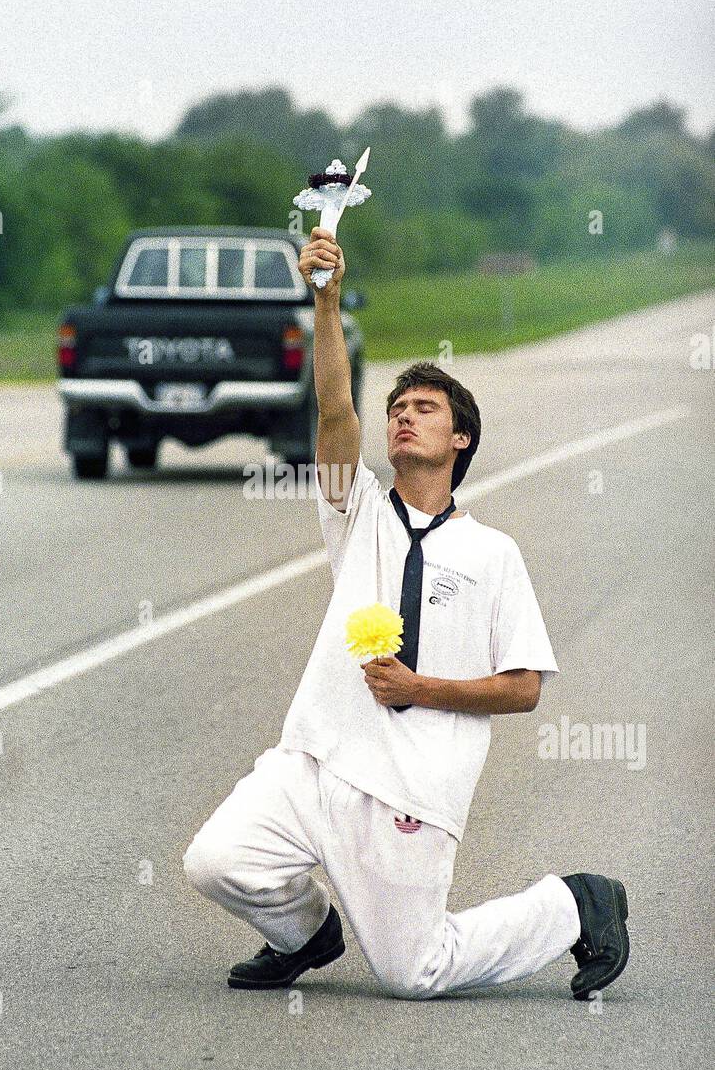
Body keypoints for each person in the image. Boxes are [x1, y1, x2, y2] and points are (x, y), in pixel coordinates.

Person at [182, 226, 630, 1001]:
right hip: (314, 760)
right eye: (395, 407)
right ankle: (306, 932)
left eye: (424, 408)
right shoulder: (356, 513)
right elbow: (332, 411)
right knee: (215, 861)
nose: (403, 417)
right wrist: (324, 299)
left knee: (413, 974)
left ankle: (573, 904)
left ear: (460, 438)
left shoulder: (493, 553)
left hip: (407, 792)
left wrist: (421, 689)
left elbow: (523, 688)